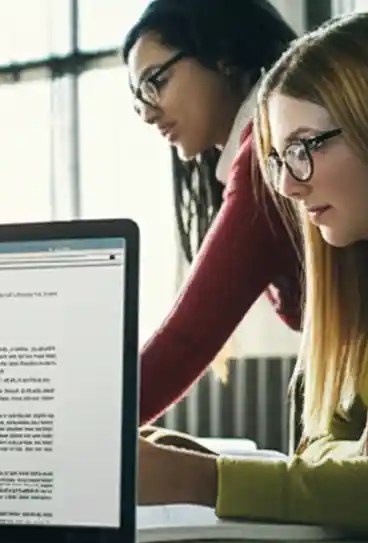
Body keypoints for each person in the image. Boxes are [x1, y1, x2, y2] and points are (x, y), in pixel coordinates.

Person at [137, 11, 368, 543]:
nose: (284, 185)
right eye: (278, 157)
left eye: (304, 147)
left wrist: (201, 478)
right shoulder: (357, 285)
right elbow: (316, 447)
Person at [123, 0, 303, 424]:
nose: (149, 113)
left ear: (221, 55)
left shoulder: (266, 156)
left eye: (155, 82)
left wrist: (81, 434)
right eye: (139, 99)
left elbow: (186, 341)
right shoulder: (254, 150)